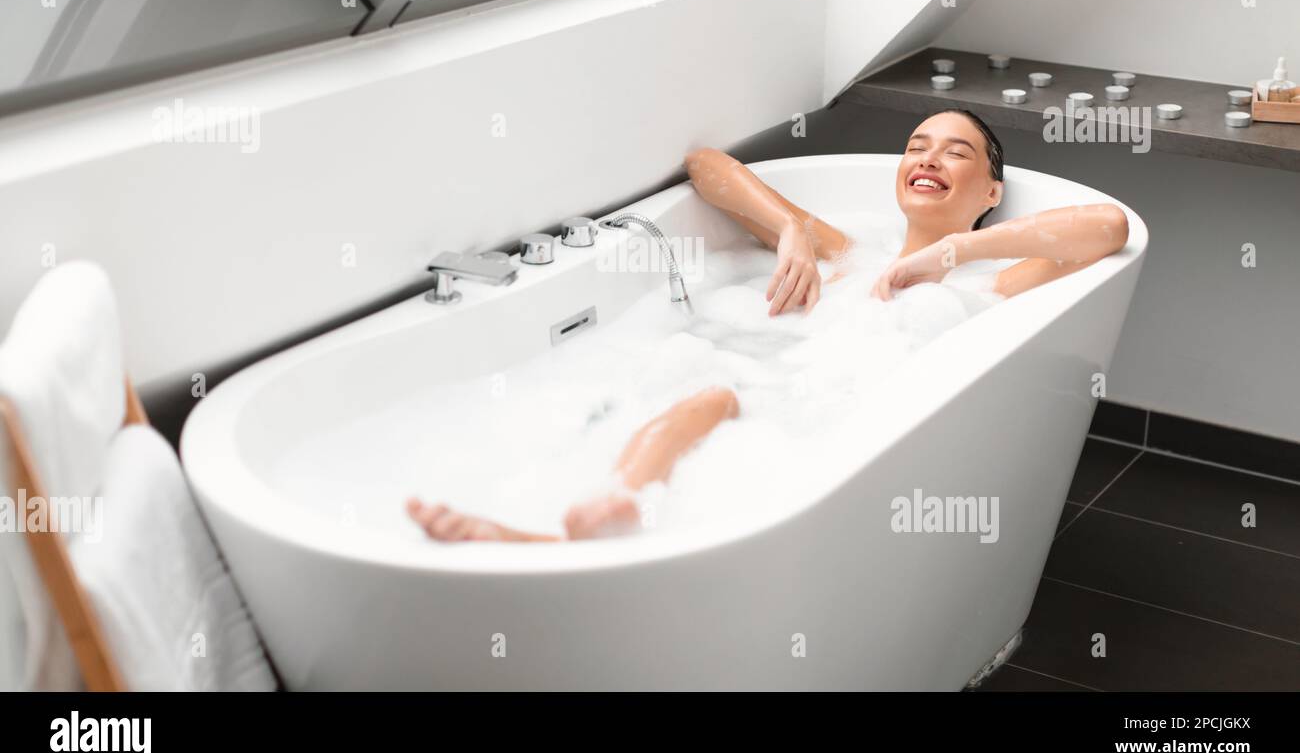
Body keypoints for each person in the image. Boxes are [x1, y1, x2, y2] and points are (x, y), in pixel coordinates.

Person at [407, 109, 1129, 542]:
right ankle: (591, 519)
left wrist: (950, 251)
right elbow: (706, 166)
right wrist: (787, 227)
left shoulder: (996, 278)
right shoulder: (847, 250)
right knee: (700, 387)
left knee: (709, 394)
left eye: (955, 152)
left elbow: (1106, 226)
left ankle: (577, 527)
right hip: (767, 385)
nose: (927, 158)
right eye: (915, 145)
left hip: (837, 423)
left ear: (992, 192)